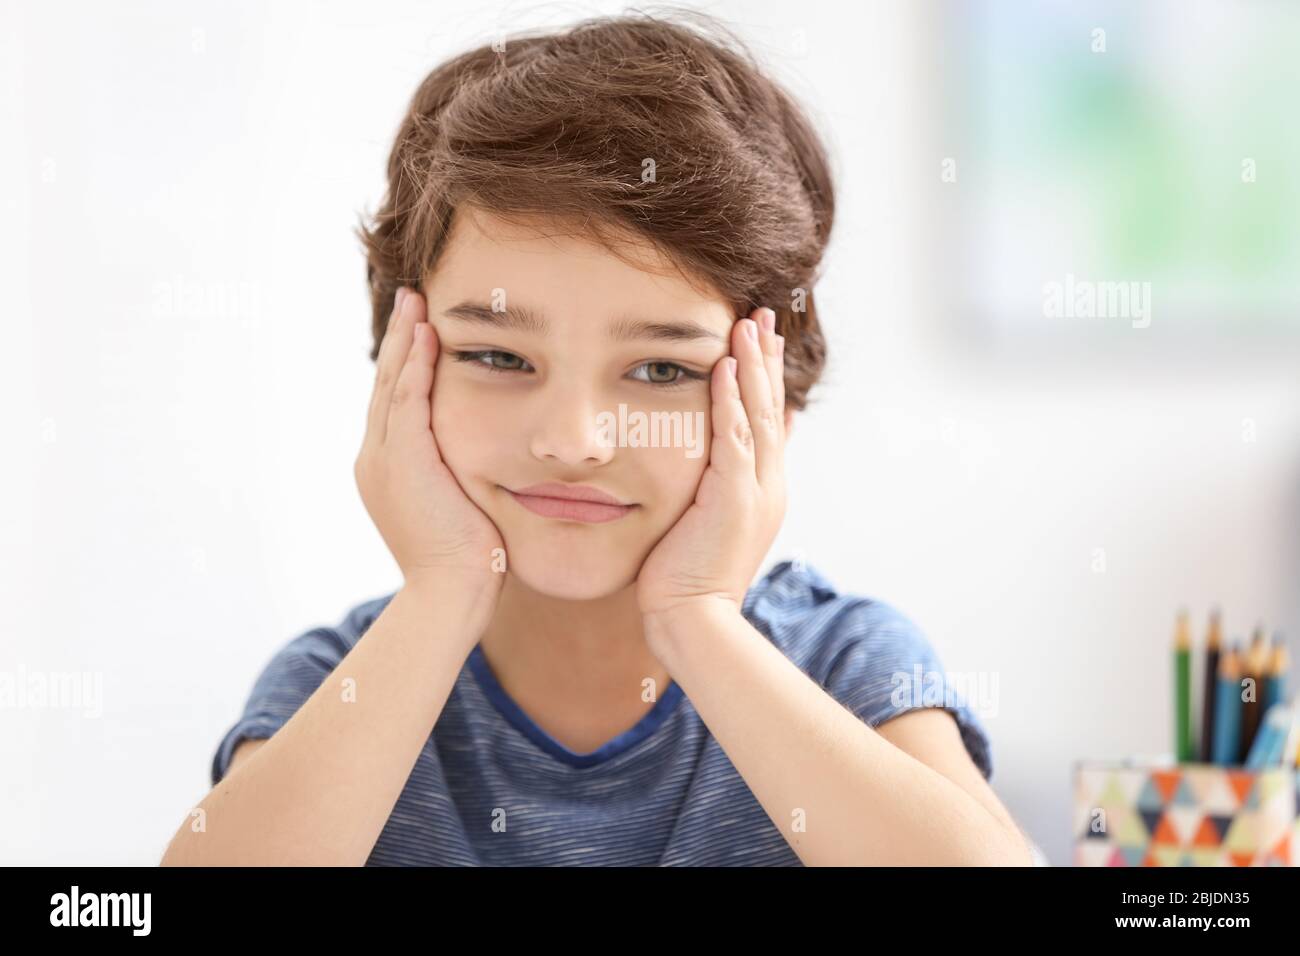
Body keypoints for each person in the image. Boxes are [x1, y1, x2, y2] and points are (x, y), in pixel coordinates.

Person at [161, 10, 1030, 866]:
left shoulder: (842, 666)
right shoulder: (340, 683)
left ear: (775, 403)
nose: (574, 440)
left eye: (660, 370)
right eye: (499, 355)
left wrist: (696, 619)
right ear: (401, 375)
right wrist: (443, 591)